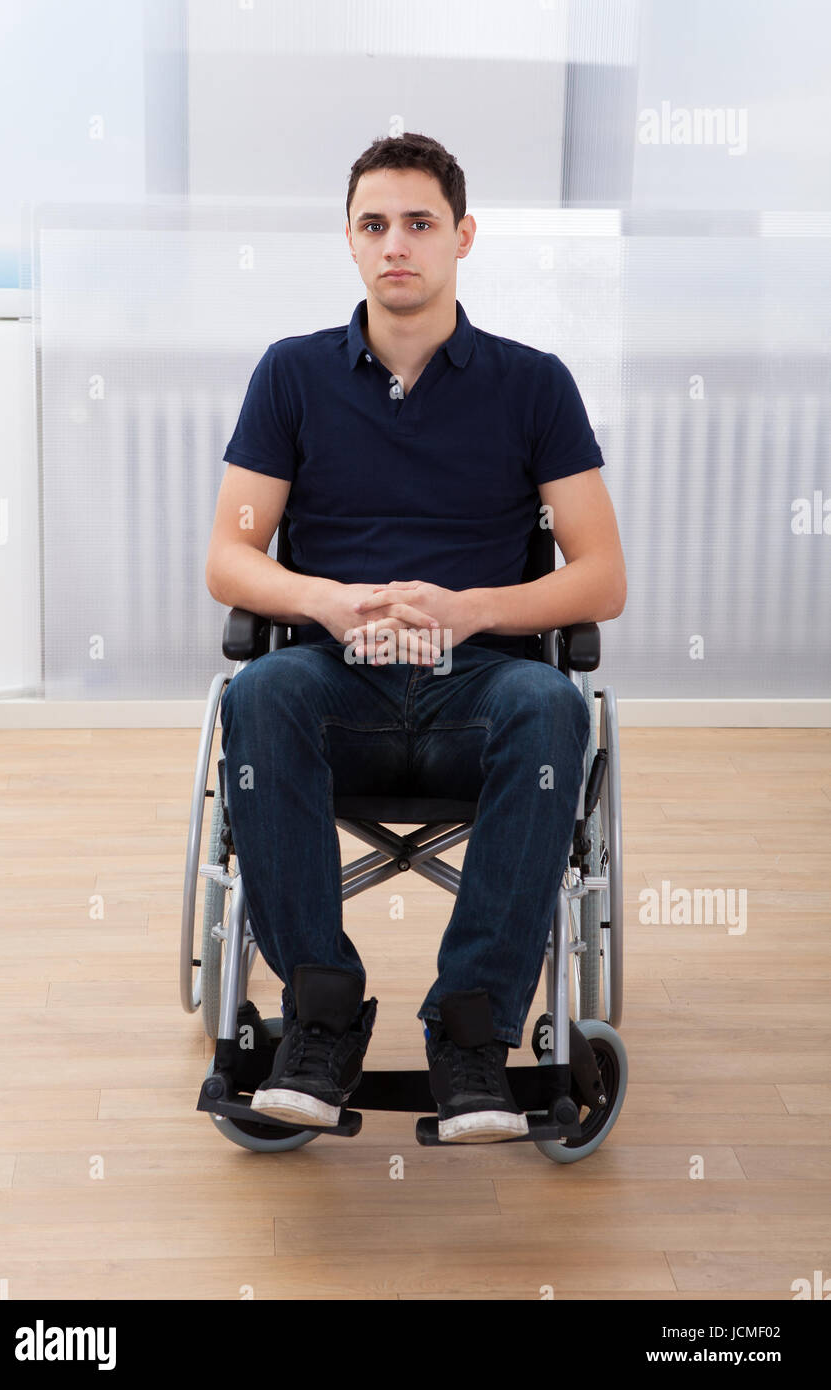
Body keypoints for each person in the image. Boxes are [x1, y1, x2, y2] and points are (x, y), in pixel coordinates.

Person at [205, 132, 626, 1143]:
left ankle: (471, 1028)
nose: (396, 243)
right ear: (349, 243)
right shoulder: (292, 375)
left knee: (551, 701)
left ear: (461, 236)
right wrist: (327, 600)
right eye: (373, 224)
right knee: (257, 693)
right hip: (332, 685)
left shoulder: (532, 384)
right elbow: (230, 557)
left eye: (419, 223)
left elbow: (599, 578)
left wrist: (469, 607)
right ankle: (317, 1018)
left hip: (475, 694)